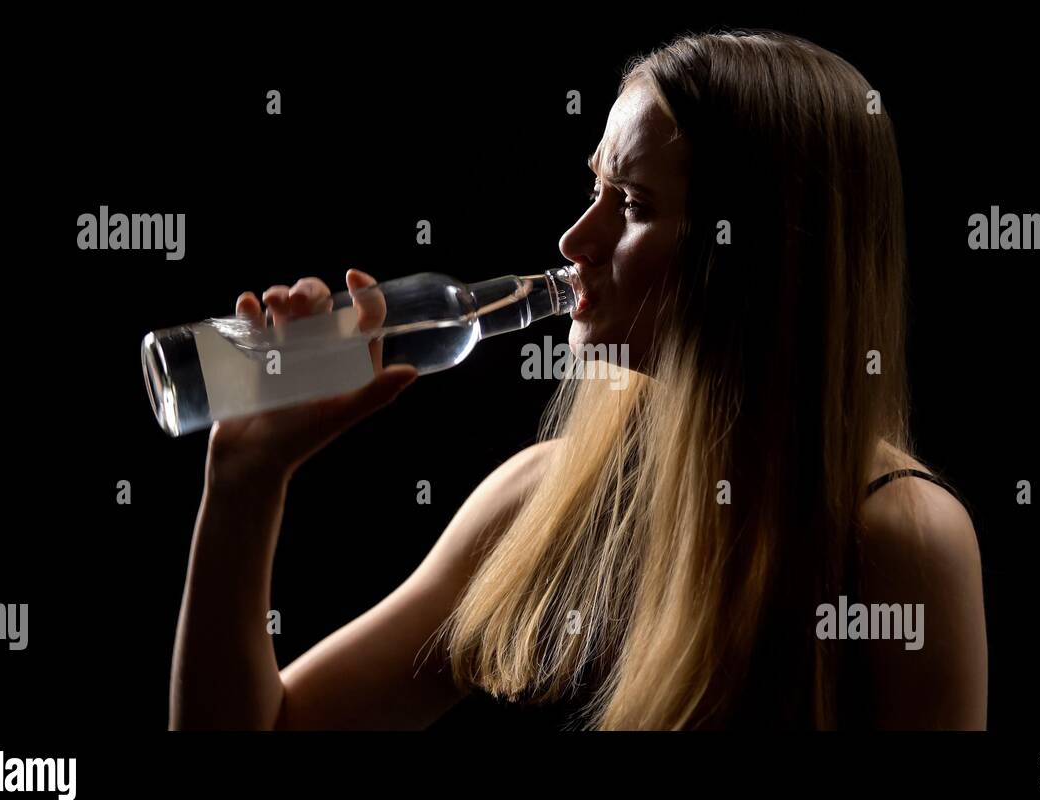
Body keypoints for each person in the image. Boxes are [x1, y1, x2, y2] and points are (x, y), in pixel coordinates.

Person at [169, 28, 988, 731]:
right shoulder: (544, 500)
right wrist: (246, 480)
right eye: (592, 186)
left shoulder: (898, 540)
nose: (573, 239)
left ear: (760, 254)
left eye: (629, 203)